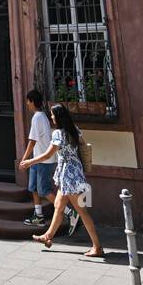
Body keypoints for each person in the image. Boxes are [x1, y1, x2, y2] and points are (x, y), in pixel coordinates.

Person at [19, 103, 103, 257]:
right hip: (75, 171)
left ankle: (97, 247)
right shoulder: (74, 130)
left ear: (58, 116)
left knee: (82, 211)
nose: (51, 117)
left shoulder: (58, 133)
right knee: (58, 206)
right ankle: (48, 236)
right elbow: (84, 146)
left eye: (52, 114)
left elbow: (47, 155)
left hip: (68, 176)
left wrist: (29, 162)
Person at [21, 89, 55, 227]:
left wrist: (24, 159)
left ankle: (69, 212)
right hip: (38, 159)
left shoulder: (37, 117)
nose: (27, 104)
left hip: (43, 160)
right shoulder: (42, 117)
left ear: (32, 101)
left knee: (44, 190)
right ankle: (38, 216)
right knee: (34, 188)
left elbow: (32, 140)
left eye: (28, 101)